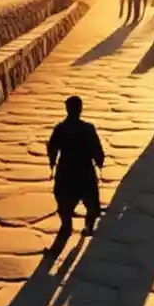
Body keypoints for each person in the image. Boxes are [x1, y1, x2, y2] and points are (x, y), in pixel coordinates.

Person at [47, 95, 105, 236]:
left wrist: (52, 163)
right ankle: (89, 226)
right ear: (80, 109)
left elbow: (52, 147)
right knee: (91, 202)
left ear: (67, 109)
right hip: (85, 170)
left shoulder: (60, 128)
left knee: (63, 198)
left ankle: (66, 226)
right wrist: (99, 162)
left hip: (66, 170)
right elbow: (97, 149)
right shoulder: (88, 129)